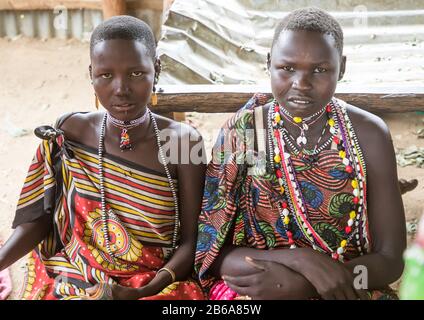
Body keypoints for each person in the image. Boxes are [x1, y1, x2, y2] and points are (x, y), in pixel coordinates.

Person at [195, 7, 406, 300]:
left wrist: (307, 285)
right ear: (269, 63)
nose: (302, 84)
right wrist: (298, 260)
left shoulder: (369, 134)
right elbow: (213, 256)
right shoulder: (245, 131)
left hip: (350, 286)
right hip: (262, 286)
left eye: (320, 70)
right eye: (287, 68)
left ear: (341, 68)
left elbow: (391, 260)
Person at [0, 16, 206, 300]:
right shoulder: (71, 132)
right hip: (79, 275)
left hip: (158, 281)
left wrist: (148, 289)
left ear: (156, 70)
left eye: (135, 73)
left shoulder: (183, 142)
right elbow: (40, 220)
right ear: (91, 74)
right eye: (106, 75)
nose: (120, 88)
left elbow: (192, 241)